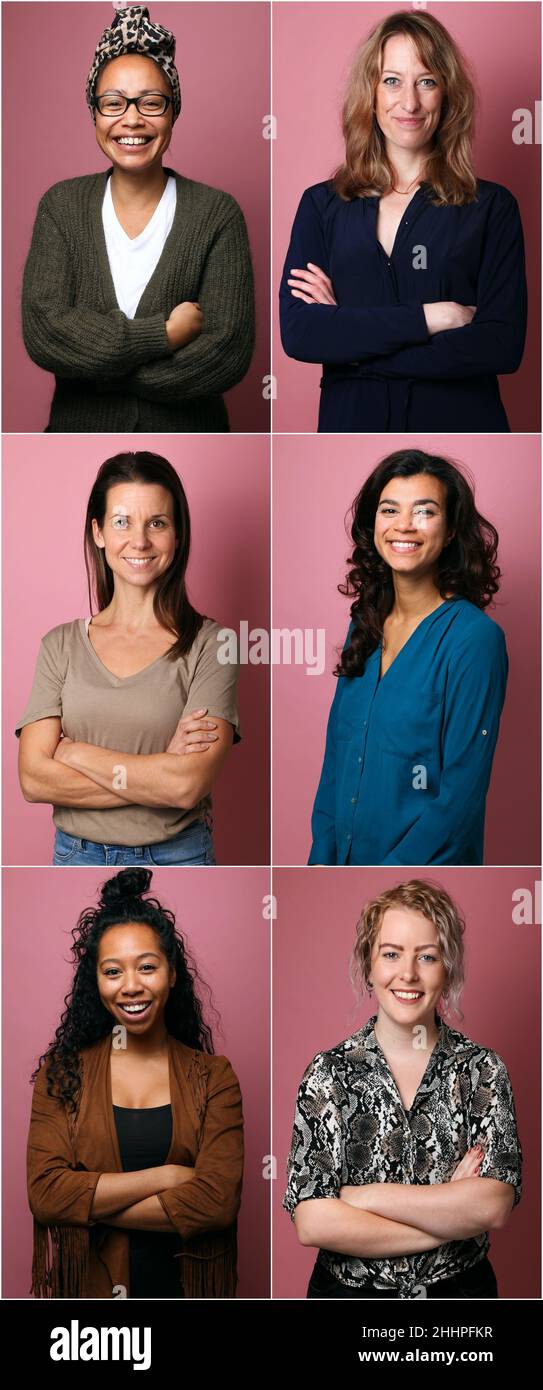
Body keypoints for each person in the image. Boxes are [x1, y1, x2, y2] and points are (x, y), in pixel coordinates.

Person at [279, 9, 527, 432]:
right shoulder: (321, 205)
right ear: (370, 93)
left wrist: (352, 346)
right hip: (351, 428)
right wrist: (433, 318)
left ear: (447, 94)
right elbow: (301, 334)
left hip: (461, 426)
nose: (409, 102)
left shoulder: (493, 206)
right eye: (392, 80)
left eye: (426, 81)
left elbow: (500, 346)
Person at [283, 879, 522, 1299]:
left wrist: (364, 1197)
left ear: (447, 968)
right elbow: (314, 1222)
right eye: (391, 954)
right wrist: (447, 1208)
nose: (407, 974)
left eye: (426, 957)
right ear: (369, 965)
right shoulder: (329, 1073)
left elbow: (492, 1206)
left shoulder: (482, 1070)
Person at [22, 4, 255, 432]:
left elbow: (226, 355)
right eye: (113, 103)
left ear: (173, 111)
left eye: (151, 102)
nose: (132, 118)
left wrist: (101, 371)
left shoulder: (217, 214)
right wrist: (162, 336)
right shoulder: (61, 206)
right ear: (94, 112)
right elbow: (45, 332)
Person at [27, 867, 244, 1298]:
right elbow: (47, 1194)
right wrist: (169, 1176)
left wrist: (89, 1206)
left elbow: (217, 1203)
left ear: (173, 973)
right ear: (96, 981)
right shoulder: (62, 1074)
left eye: (147, 967)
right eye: (113, 972)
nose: (131, 986)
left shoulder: (214, 1078)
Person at [16, 450, 241, 865]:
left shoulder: (215, 644)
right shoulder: (59, 645)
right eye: (122, 521)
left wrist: (73, 753)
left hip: (178, 856)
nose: (139, 541)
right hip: (75, 857)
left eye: (157, 523)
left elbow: (186, 787)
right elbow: (32, 779)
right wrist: (158, 770)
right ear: (99, 532)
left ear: (178, 535)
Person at [308, 448, 508, 866]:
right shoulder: (363, 625)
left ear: (451, 529)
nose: (404, 525)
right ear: (373, 523)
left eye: (425, 511)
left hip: (423, 872)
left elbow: (460, 799)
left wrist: (384, 875)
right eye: (389, 509)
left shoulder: (475, 639)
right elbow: (336, 764)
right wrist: (321, 863)